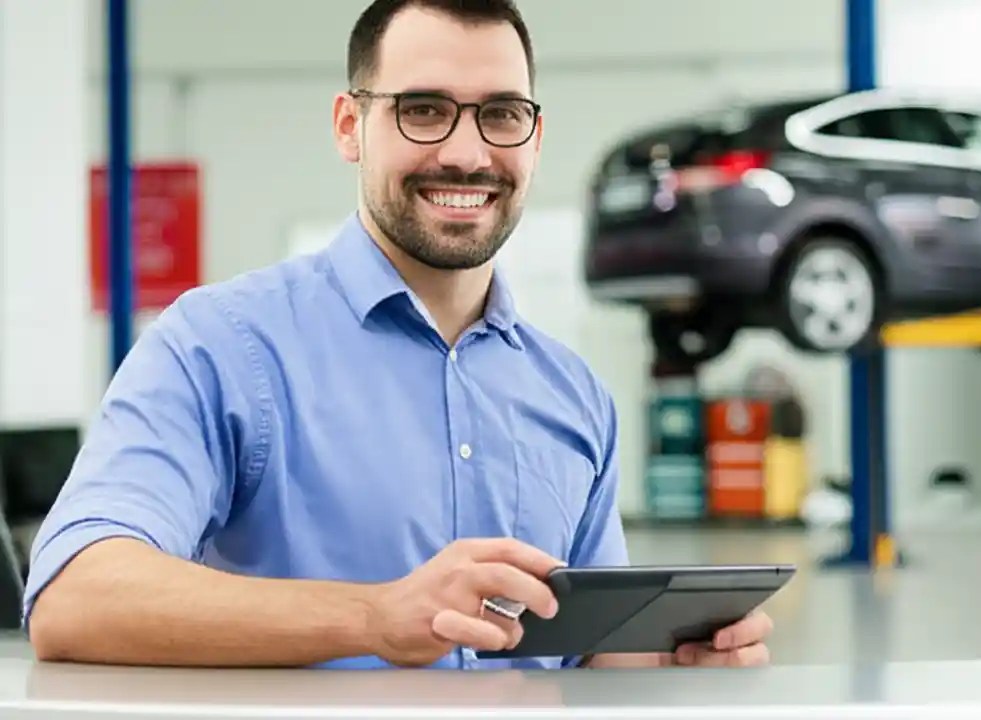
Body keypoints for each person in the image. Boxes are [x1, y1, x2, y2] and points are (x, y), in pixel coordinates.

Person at [23, 0, 773, 671]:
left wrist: (677, 662)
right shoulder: (220, 347)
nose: (466, 153)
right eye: (423, 110)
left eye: (502, 114)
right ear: (351, 126)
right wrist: (373, 618)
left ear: (535, 137)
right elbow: (75, 596)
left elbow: (586, 657)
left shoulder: (573, 395)